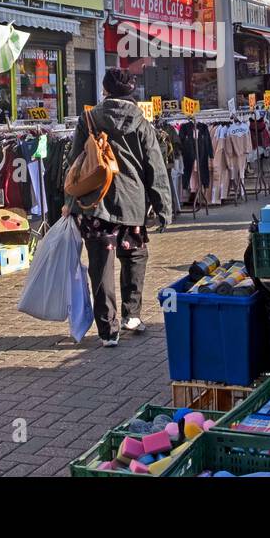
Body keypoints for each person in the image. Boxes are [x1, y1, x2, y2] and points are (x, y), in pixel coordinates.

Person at [62, 68, 172, 348]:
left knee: (100, 265)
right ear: (130, 92)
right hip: (131, 202)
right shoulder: (141, 122)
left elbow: (75, 165)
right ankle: (131, 315)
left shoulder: (88, 119)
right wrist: (163, 209)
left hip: (94, 203)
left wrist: (69, 204)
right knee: (135, 257)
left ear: (104, 90)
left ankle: (107, 329)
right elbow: (155, 167)